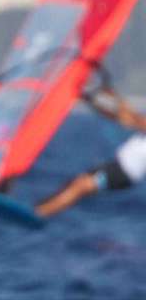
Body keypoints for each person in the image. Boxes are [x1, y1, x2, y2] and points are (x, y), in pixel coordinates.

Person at [35, 86, 146, 218]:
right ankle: (39, 208)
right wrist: (89, 99)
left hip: (123, 173)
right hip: (117, 167)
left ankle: (39, 214)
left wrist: (116, 99)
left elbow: (134, 118)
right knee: (75, 183)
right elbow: (121, 118)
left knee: (80, 187)